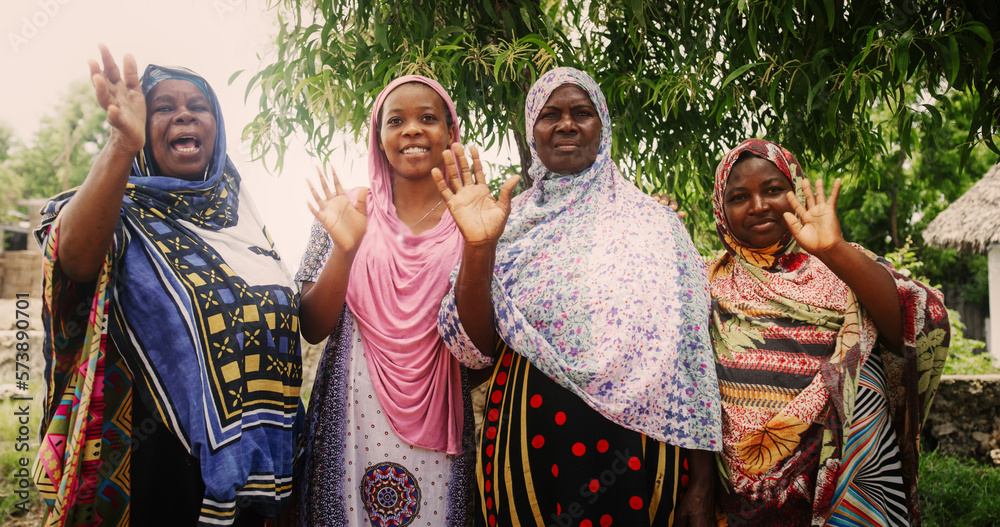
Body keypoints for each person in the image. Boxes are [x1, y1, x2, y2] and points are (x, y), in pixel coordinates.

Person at [433, 67, 723, 527]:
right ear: (533, 131)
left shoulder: (657, 226)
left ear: (602, 126)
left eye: (581, 113)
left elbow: (692, 358)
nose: (566, 124)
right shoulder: (506, 223)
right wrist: (479, 246)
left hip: (642, 447)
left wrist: (702, 483)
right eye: (550, 114)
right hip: (529, 436)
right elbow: (476, 347)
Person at [32, 46, 304, 526]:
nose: (183, 114)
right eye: (164, 107)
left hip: (251, 478)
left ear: (215, 129)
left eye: (198, 107)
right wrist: (120, 144)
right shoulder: (120, 207)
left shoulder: (245, 226)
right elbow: (71, 259)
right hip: (145, 460)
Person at [707, 138, 950, 526]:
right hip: (738, 496)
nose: (758, 206)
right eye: (739, 197)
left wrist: (832, 249)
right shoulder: (709, 282)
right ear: (721, 207)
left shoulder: (842, 263)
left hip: (842, 484)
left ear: (796, 191)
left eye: (773, 190)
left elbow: (912, 325)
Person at [293, 75, 477, 526]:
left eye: (428, 118)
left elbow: (482, 348)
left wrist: (480, 245)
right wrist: (345, 248)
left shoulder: (473, 216)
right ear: (379, 138)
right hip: (352, 411)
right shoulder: (348, 208)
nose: (412, 130)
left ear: (451, 133)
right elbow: (312, 325)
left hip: (441, 419)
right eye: (396, 120)